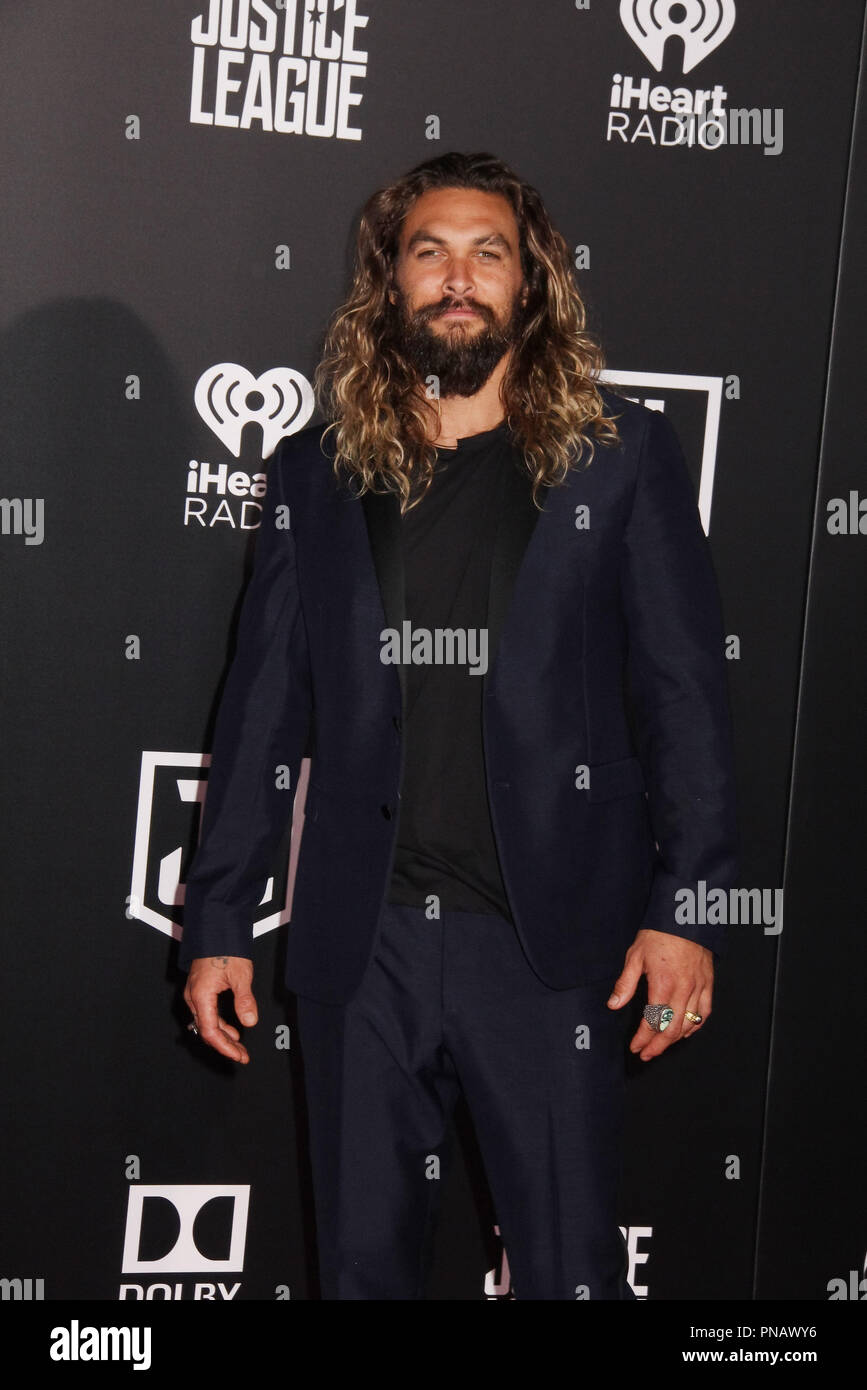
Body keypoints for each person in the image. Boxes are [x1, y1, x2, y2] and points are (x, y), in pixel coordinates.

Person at [179, 151, 738, 1300]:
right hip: (362, 942)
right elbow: (262, 707)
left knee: (566, 1269)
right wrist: (220, 915)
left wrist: (690, 905)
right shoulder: (316, 474)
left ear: (532, 285)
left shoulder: (617, 461)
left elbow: (686, 695)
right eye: (429, 252)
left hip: (547, 951)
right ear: (389, 284)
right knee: (362, 1272)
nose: (459, 277)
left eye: (490, 253)